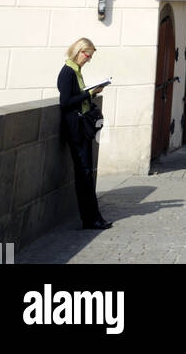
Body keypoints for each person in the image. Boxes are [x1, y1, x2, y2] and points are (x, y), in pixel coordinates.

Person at [57, 37, 111, 230]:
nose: (88, 59)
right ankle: (90, 218)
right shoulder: (67, 72)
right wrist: (89, 93)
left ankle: (93, 217)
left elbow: (76, 99)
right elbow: (65, 102)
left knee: (87, 174)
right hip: (75, 129)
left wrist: (93, 93)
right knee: (84, 174)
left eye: (90, 56)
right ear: (78, 51)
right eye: (87, 55)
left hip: (81, 129)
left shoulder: (76, 71)